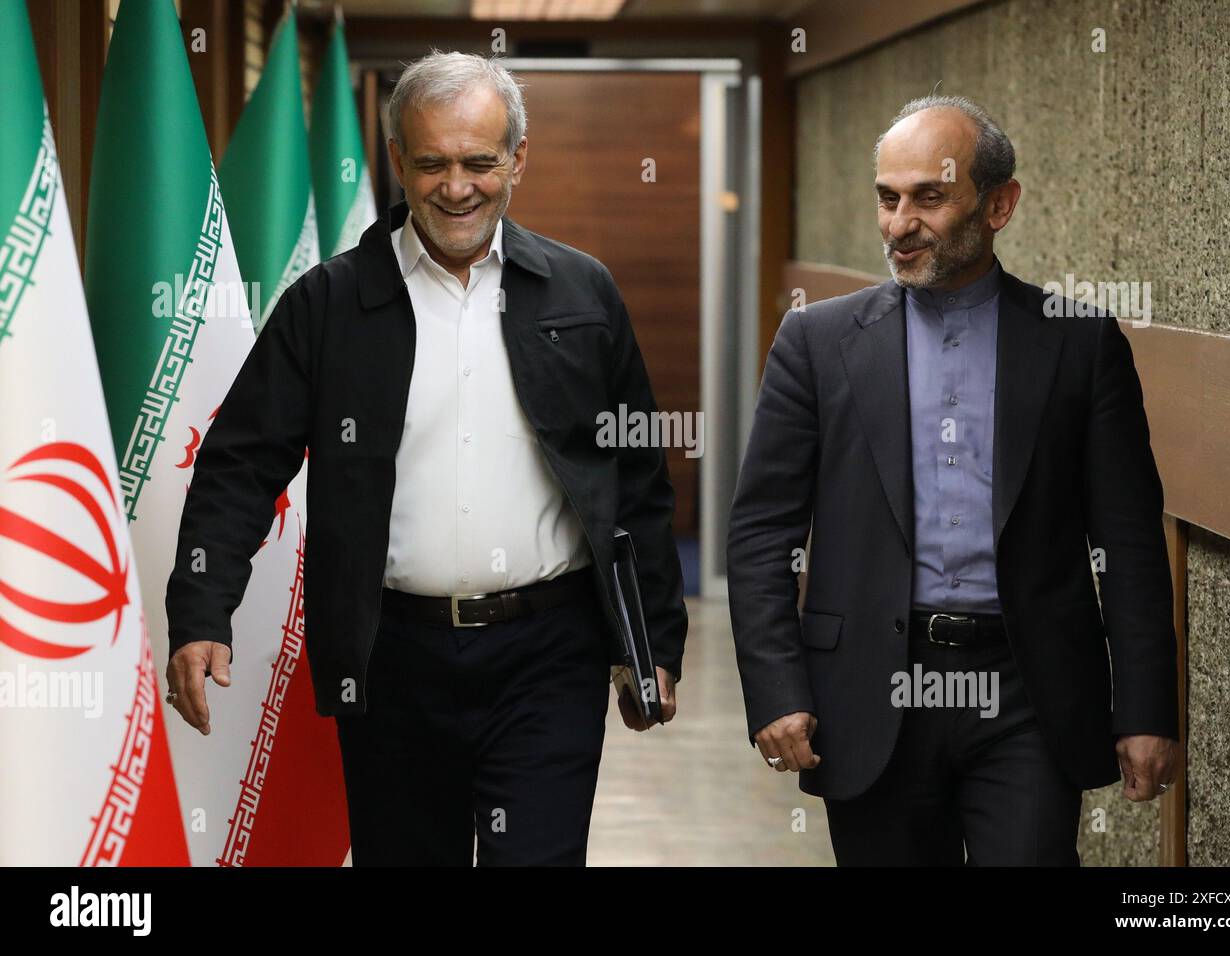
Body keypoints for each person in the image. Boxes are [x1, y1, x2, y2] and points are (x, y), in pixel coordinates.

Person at [164, 51, 687, 866]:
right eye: (433, 163)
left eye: (480, 161)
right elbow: (240, 463)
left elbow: (638, 482)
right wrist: (201, 612)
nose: (457, 186)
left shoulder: (583, 293)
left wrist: (651, 643)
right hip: (389, 660)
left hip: (550, 654)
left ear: (518, 158)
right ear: (398, 160)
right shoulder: (330, 303)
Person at [727, 95, 1179, 865]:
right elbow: (762, 533)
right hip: (872, 690)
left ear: (999, 204)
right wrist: (778, 690)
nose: (900, 222)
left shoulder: (1078, 343)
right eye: (888, 197)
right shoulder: (818, 342)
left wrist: (1145, 708)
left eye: (929, 198)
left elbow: (1129, 541)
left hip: (1027, 694)